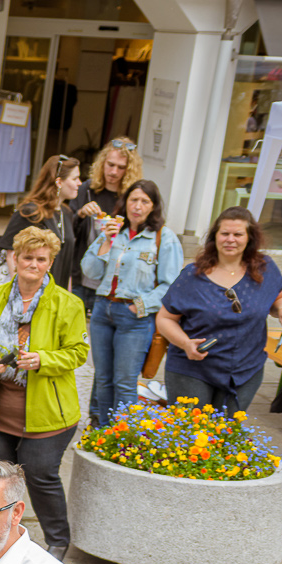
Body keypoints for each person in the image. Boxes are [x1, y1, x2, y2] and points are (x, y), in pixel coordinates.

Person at [0, 225, 89, 559]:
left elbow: (78, 352)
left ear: (50, 263)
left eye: (41, 259)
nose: (33, 264)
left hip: (47, 410)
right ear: (14, 259)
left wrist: (43, 359)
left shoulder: (68, 304)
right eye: (27, 257)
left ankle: (58, 539)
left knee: (40, 474)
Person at [156, 206, 282, 416]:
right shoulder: (193, 275)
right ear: (214, 237)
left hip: (246, 369)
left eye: (237, 234)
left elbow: (278, 294)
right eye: (224, 233)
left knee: (225, 437)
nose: (230, 239)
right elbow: (164, 319)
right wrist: (186, 343)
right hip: (193, 369)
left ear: (249, 238)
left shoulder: (265, 268)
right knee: (191, 438)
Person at [78, 179, 184, 428]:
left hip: (134, 317)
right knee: (103, 378)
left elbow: (172, 285)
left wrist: (140, 305)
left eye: (144, 201)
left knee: (124, 381)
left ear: (153, 206)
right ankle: (102, 431)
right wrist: (105, 240)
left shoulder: (163, 238)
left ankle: (124, 437)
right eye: (133, 200)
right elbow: (89, 271)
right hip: (103, 311)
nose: (137, 206)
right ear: (124, 203)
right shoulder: (115, 231)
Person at [0, 154, 84, 305]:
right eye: (75, 178)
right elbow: (10, 252)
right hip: (28, 295)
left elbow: (67, 260)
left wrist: (67, 297)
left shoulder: (67, 213)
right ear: (59, 182)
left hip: (54, 295)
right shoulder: (30, 212)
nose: (80, 183)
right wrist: (20, 297)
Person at [73, 137, 141, 311]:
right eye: (110, 164)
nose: (113, 171)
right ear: (102, 163)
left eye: (121, 167)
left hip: (113, 282)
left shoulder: (133, 198)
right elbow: (67, 231)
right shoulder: (86, 189)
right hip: (82, 275)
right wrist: (80, 214)